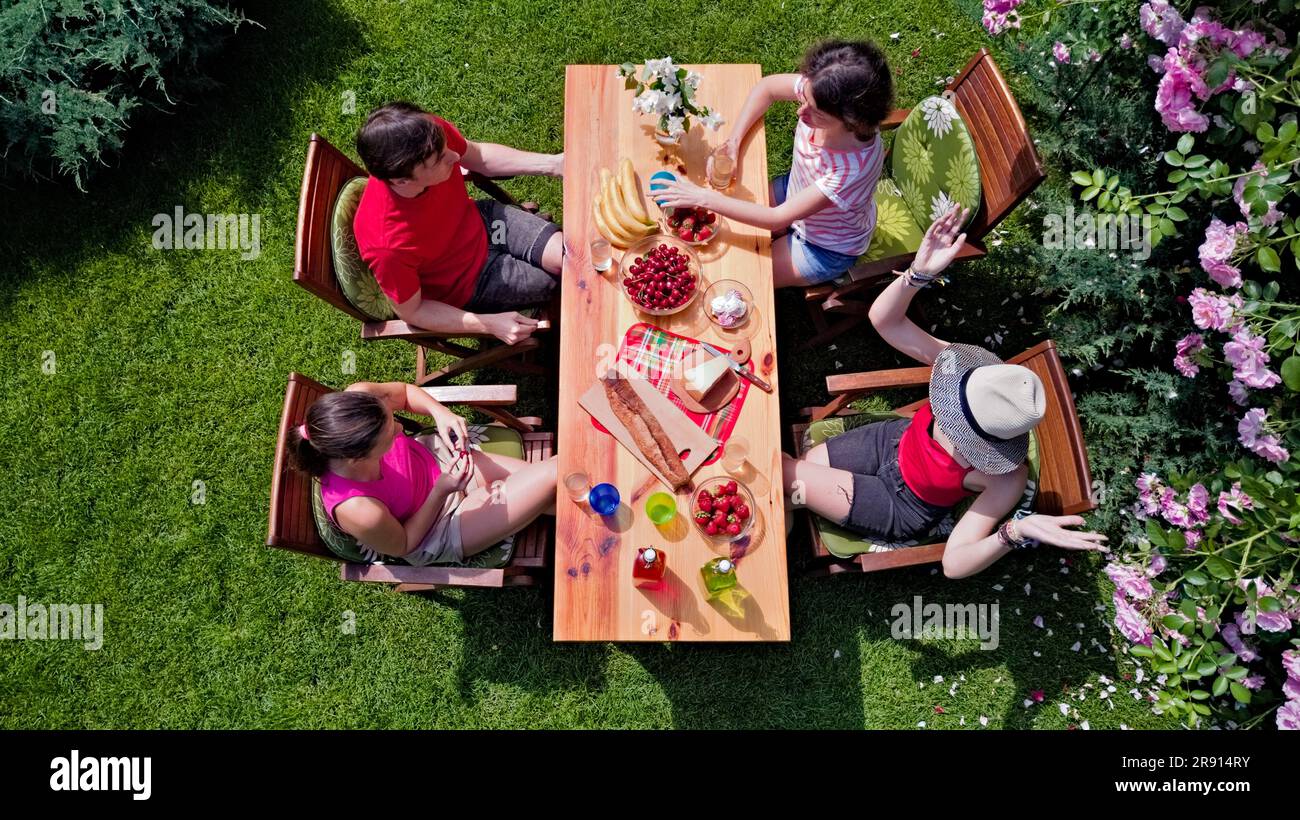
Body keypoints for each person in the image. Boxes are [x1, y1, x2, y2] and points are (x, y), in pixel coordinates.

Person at [782, 205, 1107, 578]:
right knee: (793, 483)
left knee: (787, 475)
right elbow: (883, 320)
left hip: (900, 506)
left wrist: (1015, 531)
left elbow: (954, 565)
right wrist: (918, 274)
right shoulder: (969, 376)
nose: (946, 404)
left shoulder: (1008, 478)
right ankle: (766, 531)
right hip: (889, 442)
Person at [656, 40, 892, 288]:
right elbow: (767, 88)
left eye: (816, 113)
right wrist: (734, 143)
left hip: (825, 246)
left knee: (744, 274)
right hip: (796, 191)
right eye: (804, 99)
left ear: (851, 121)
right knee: (727, 226)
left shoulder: (849, 171)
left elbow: (776, 218)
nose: (801, 113)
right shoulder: (824, 89)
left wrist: (700, 197)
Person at [352, 101, 565, 346]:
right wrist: (488, 324)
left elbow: (477, 155)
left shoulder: (428, 135)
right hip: (470, 282)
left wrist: (554, 164)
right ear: (401, 181)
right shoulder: (385, 245)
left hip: (484, 222)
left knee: (569, 259)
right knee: (559, 281)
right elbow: (412, 311)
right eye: (441, 160)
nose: (454, 156)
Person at [290, 380, 557, 566]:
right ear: (357, 458)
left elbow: (404, 394)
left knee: (556, 489)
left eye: (391, 420)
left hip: (442, 460)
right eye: (388, 434)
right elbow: (405, 544)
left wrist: (439, 413)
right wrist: (442, 490)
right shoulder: (358, 509)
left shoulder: (359, 398)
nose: (399, 430)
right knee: (554, 476)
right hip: (440, 527)